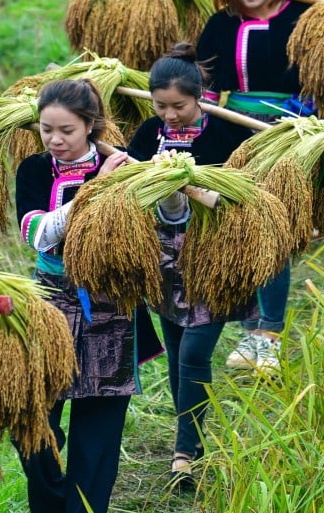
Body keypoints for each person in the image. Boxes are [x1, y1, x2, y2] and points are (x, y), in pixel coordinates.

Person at [13, 79, 160, 513]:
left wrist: (160, 177)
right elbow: (36, 234)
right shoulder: (34, 170)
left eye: (67, 131)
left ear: (91, 126)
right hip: (49, 301)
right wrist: (94, 191)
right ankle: (52, 500)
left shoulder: (126, 170)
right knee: (30, 421)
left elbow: (163, 225)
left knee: (97, 433)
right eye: (46, 130)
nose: (55, 140)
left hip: (108, 308)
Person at [126, 44, 254, 481]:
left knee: (197, 352)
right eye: (160, 105)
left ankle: (184, 451)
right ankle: (192, 445)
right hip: (164, 262)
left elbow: (248, 194)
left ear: (200, 97)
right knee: (179, 352)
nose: (169, 115)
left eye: (178, 106)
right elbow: (128, 188)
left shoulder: (227, 133)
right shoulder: (147, 135)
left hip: (214, 259)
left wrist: (199, 189)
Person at [195, 0, 307, 371]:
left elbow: (316, 83)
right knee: (235, 227)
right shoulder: (221, 24)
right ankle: (247, 332)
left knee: (272, 229)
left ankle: (269, 336)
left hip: (286, 133)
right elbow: (204, 87)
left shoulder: (300, 17)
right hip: (232, 130)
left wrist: (304, 123)